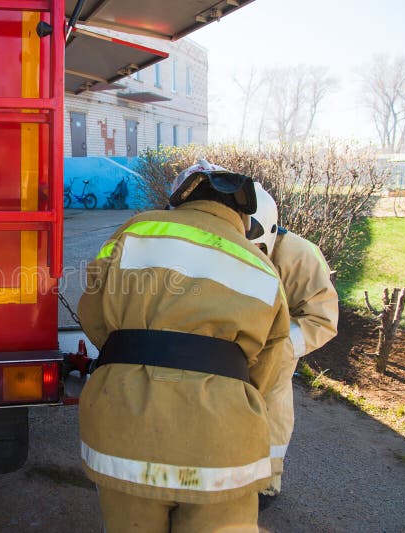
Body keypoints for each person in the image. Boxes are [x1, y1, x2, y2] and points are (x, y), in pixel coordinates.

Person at [77, 159, 290, 532]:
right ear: (244, 217)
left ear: (181, 199)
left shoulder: (138, 231)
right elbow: (267, 369)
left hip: (127, 431)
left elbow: (93, 314)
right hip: (221, 450)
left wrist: (130, 360)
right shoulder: (262, 268)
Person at [247, 183, 339, 505]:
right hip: (227, 352)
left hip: (274, 357)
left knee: (271, 417)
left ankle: (265, 485)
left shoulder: (299, 256)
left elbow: (322, 318)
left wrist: (278, 349)